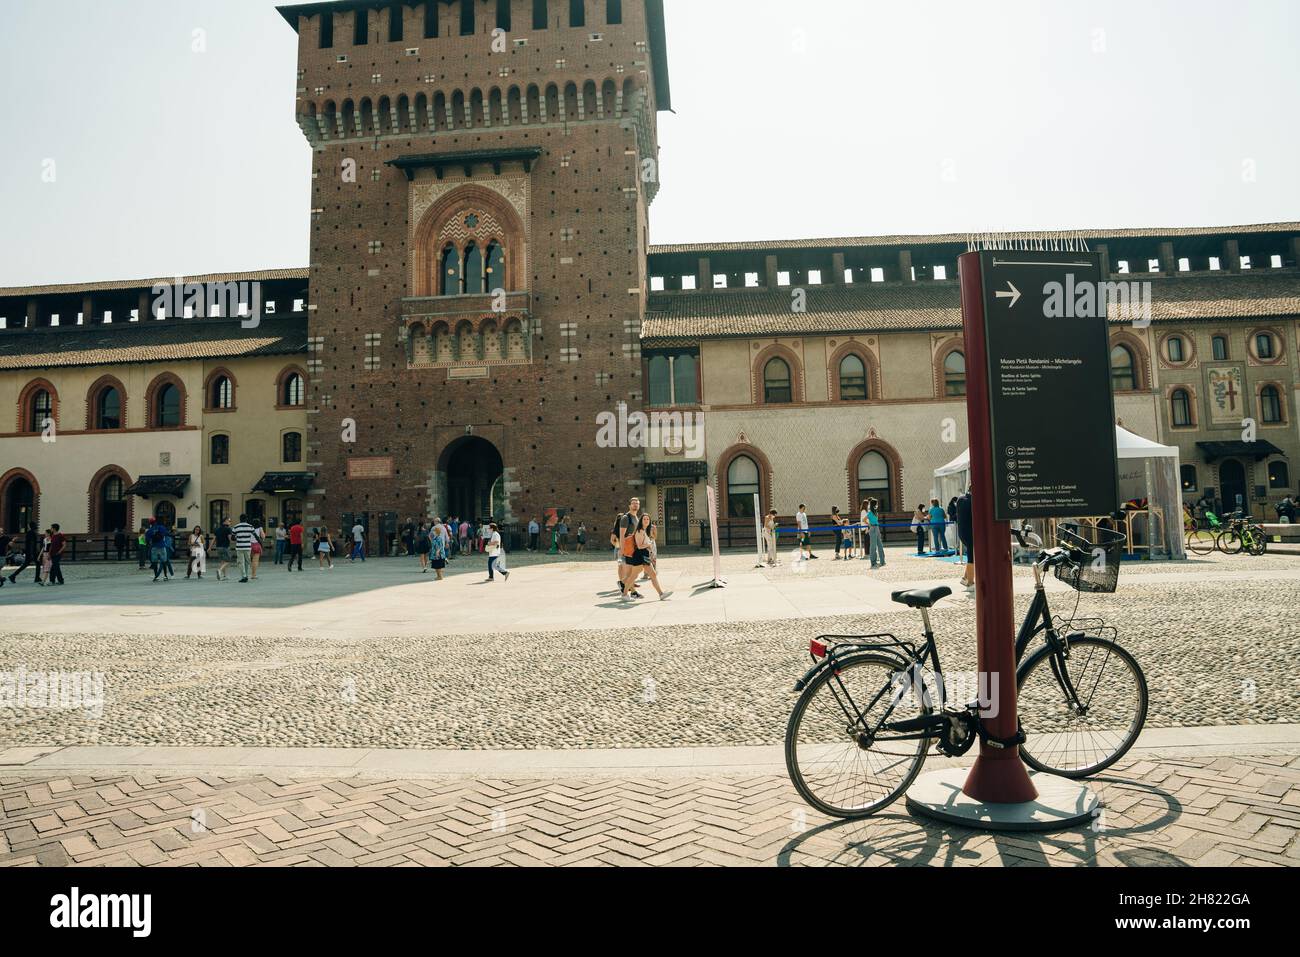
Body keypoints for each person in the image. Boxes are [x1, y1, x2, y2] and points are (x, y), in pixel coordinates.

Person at [628, 513, 669, 600]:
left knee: (653, 575)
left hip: (644, 555)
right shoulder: (639, 531)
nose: (646, 521)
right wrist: (649, 544)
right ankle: (624, 593)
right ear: (641, 521)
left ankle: (661, 594)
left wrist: (648, 546)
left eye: (648, 519)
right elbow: (639, 546)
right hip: (639, 556)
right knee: (633, 576)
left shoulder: (645, 530)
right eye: (644, 519)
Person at [616, 499, 644, 598]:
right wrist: (621, 550)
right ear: (629, 505)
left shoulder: (636, 517)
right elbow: (622, 535)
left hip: (634, 548)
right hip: (627, 548)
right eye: (633, 503)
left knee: (633, 572)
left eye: (637, 504)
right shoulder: (626, 518)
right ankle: (629, 589)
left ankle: (631, 591)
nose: (635, 505)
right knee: (631, 572)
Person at [956, 487, 975, 591]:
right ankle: (971, 583)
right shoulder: (972, 501)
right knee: (972, 558)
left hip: (962, 532)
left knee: (971, 556)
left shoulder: (961, 499)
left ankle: (965, 578)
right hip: (971, 532)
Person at [230, 514, 255, 583]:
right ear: (246, 519)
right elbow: (255, 536)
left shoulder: (236, 527)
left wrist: (238, 538)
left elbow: (232, 538)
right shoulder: (250, 526)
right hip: (247, 546)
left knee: (241, 562)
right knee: (247, 561)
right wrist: (261, 544)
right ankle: (246, 575)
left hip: (239, 547)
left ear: (240, 519)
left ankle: (243, 576)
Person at [867, 500, 886, 568]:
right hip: (873, 528)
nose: (877, 505)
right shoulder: (869, 513)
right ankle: (873, 562)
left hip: (877, 528)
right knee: (873, 546)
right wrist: (869, 524)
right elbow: (864, 520)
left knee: (880, 545)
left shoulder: (875, 512)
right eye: (877, 504)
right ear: (874, 504)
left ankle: (882, 561)